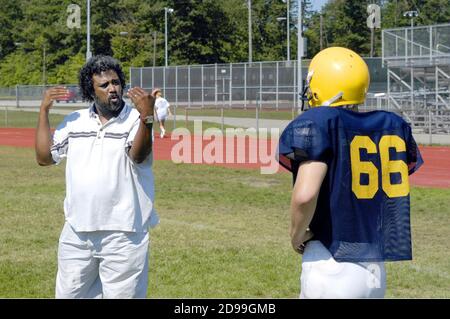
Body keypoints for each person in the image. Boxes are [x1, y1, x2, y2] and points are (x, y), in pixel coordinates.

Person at [277, 47, 423, 298]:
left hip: (331, 263)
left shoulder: (319, 122)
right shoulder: (389, 125)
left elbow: (304, 195)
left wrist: (296, 234)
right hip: (374, 267)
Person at [35, 55, 159, 298]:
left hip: (124, 234)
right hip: (77, 231)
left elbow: (138, 156)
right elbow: (44, 158)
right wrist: (43, 111)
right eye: (104, 85)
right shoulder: (74, 122)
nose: (113, 89)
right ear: (90, 90)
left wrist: (147, 117)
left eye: (116, 82)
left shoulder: (135, 120)